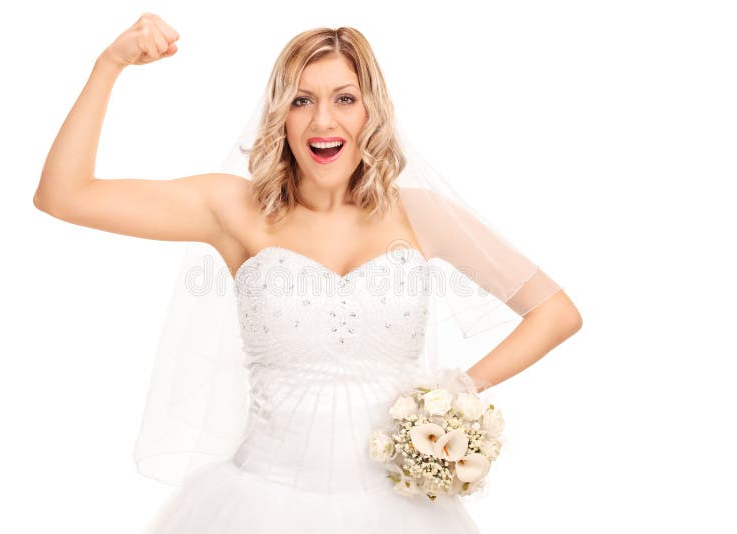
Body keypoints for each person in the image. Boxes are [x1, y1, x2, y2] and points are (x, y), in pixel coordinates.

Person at [34, 13, 582, 533]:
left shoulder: (420, 213)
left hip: (401, 512)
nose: (324, 120)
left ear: (372, 111)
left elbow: (554, 311)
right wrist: (109, 64)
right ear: (282, 115)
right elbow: (62, 195)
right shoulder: (232, 208)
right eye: (302, 100)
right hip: (259, 505)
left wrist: (456, 391)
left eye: (344, 98)